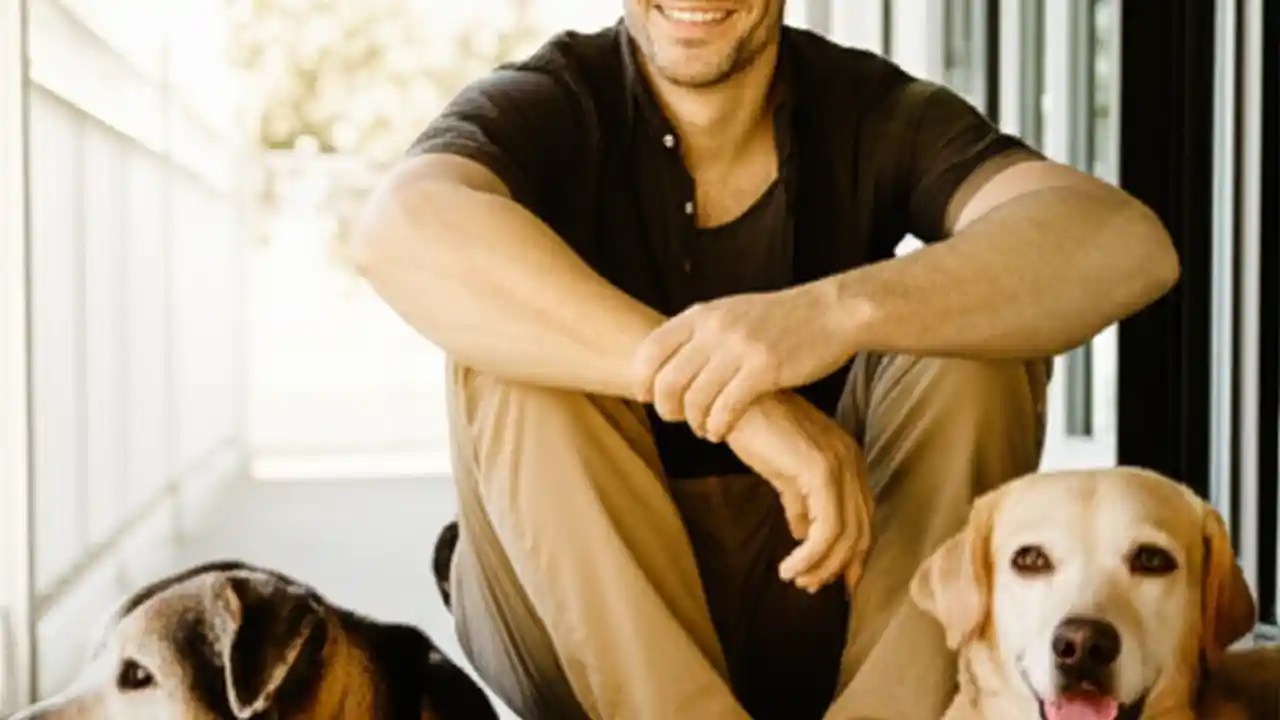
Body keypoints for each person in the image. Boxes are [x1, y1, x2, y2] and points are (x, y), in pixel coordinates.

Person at [352, 2, 1180, 718]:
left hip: (828, 591)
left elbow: (1127, 246)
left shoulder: (870, 108)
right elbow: (401, 229)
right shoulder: (551, 101)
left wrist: (829, 314)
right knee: (513, 362)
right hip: (577, 622)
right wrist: (737, 400)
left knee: (977, 340)